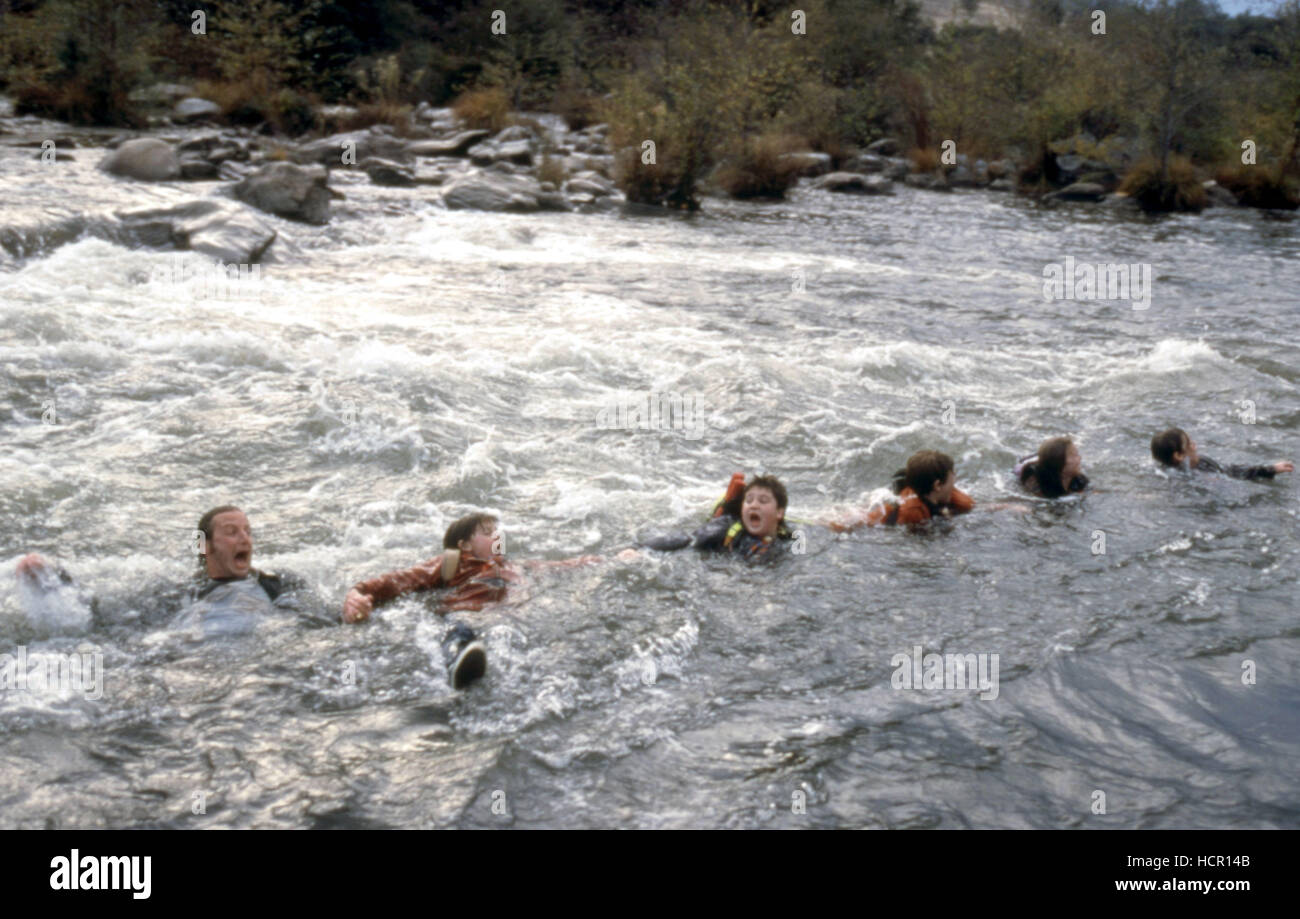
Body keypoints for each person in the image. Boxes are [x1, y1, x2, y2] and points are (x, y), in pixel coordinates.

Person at [342, 513, 608, 688]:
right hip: (467, 611)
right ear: (465, 545)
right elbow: (400, 580)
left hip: (509, 617)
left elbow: (566, 565)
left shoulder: (518, 565)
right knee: (460, 629)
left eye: (497, 531)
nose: (497, 536)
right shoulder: (453, 562)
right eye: (488, 532)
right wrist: (358, 593)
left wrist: (617, 558)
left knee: (514, 642)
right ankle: (458, 658)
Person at [14, 505, 323, 636]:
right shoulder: (177, 593)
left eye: (247, 531)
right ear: (205, 545)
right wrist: (56, 582)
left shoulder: (280, 584)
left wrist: (358, 601)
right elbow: (108, 623)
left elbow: (324, 619)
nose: (244, 538)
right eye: (231, 531)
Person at [640, 474, 797, 561]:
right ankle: (726, 504)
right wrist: (640, 549)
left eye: (763, 501)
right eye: (748, 501)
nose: (754, 505)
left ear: (779, 512)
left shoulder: (789, 537)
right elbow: (687, 538)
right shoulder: (724, 527)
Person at [829, 450, 976, 531]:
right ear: (938, 486)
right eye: (953, 476)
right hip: (876, 519)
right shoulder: (915, 512)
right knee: (846, 521)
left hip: (896, 503)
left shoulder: (938, 492)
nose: (955, 479)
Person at [1150, 428, 1293, 480]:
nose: (1195, 445)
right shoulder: (1204, 469)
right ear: (1179, 456)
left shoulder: (1162, 473)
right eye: (1189, 443)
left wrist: (1270, 469)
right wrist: (1269, 470)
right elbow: (1233, 472)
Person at [1016, 436, 1089, 498]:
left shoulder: (1079, 480)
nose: (1079, 458)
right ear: (1059, 463)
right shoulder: (1037, 484)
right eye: (1073, 455)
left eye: (1077, 454)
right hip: (1026, 465)